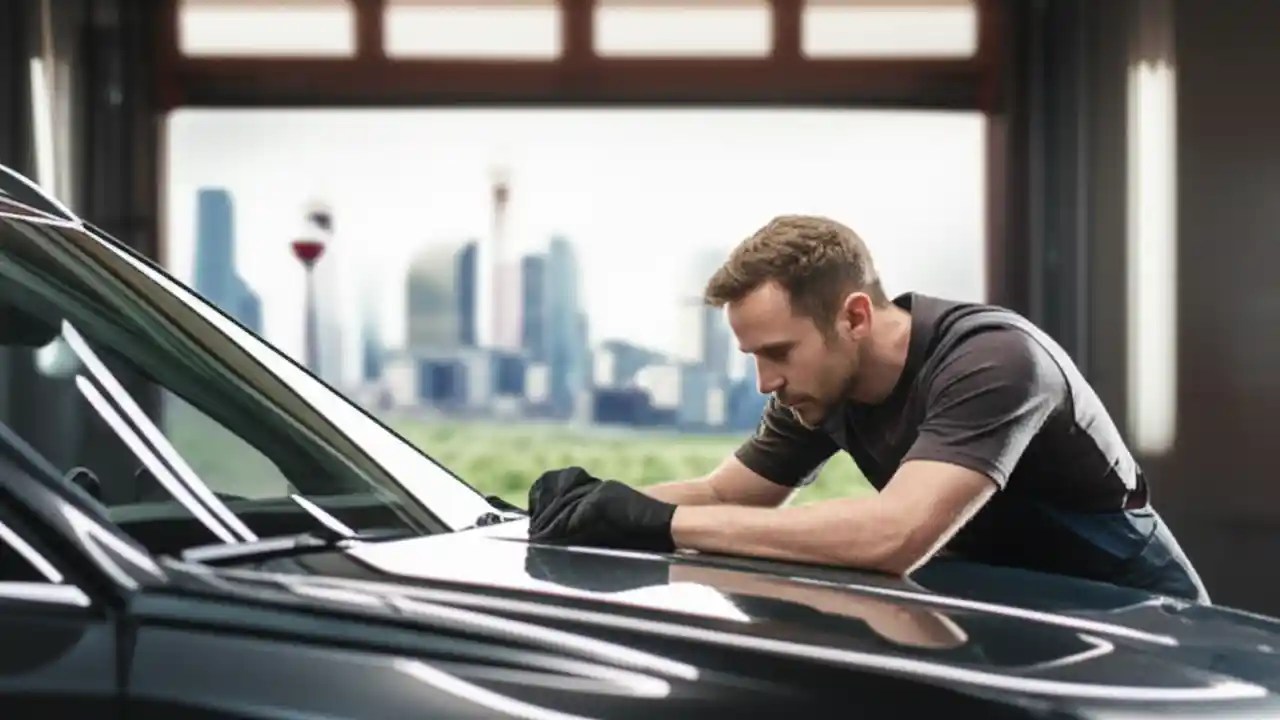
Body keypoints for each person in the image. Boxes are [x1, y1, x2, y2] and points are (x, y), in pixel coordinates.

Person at [526, 215, 1208, 603]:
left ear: (853, 316)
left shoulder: (995, 361)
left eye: (779, 352)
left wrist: (663, 524)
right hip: (1002, 609)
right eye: (753, 358)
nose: (766, 381)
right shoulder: (819, 390)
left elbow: (893, 536)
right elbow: (723, 494)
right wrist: (594, 502)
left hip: (1136, 616)